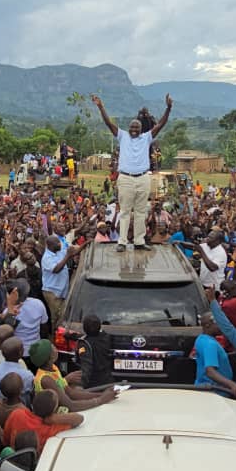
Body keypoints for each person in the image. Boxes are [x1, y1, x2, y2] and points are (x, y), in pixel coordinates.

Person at [92, 93, 172, 251]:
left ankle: (139, 241)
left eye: (137, 127)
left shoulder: (147, 137)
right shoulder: (122, 136)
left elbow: (161, 124)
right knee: (125, 211)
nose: (134, 129)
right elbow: (108, 123)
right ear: (128, 128)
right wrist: (101, 107)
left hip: (143, 178)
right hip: (126, 178)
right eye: (132, 127)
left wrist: (168, 108)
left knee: (141, 211)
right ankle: (122, 242)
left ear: (141, 128)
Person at [41, 236, 82, 326]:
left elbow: (74, 251)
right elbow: (56, 269)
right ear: (49, 246)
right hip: (52, 292)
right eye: (57, 243)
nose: (59, 244)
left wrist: (86, 244)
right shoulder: (46, 258)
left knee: (61, 315)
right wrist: (67, 256)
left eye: (59, 242)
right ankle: (54, 337)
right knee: (56, 318)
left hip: (61, 290)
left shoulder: (58, 252)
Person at [75, 315, 112, 388]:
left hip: (93, 384)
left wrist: (81, 385)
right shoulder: (106, 337)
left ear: (84, 328)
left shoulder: (84, 344)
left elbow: (86, 366)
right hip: (108, 380)